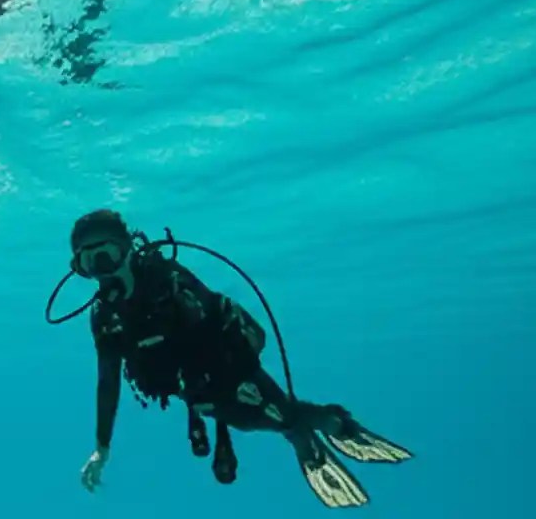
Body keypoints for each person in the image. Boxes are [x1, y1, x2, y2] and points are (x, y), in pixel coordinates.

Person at [60, 210, 411, 509]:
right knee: (256, 422)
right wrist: (101, 449)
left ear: (127, 249)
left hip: (232, 370)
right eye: (90, 263)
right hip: (197, 395)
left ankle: (337, 424)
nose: (102, 270)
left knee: (281, 415)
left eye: (106, 255)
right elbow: (108, 382)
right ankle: (300, 435)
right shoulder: (104, 317)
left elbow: (207, 325)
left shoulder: (167, 279)